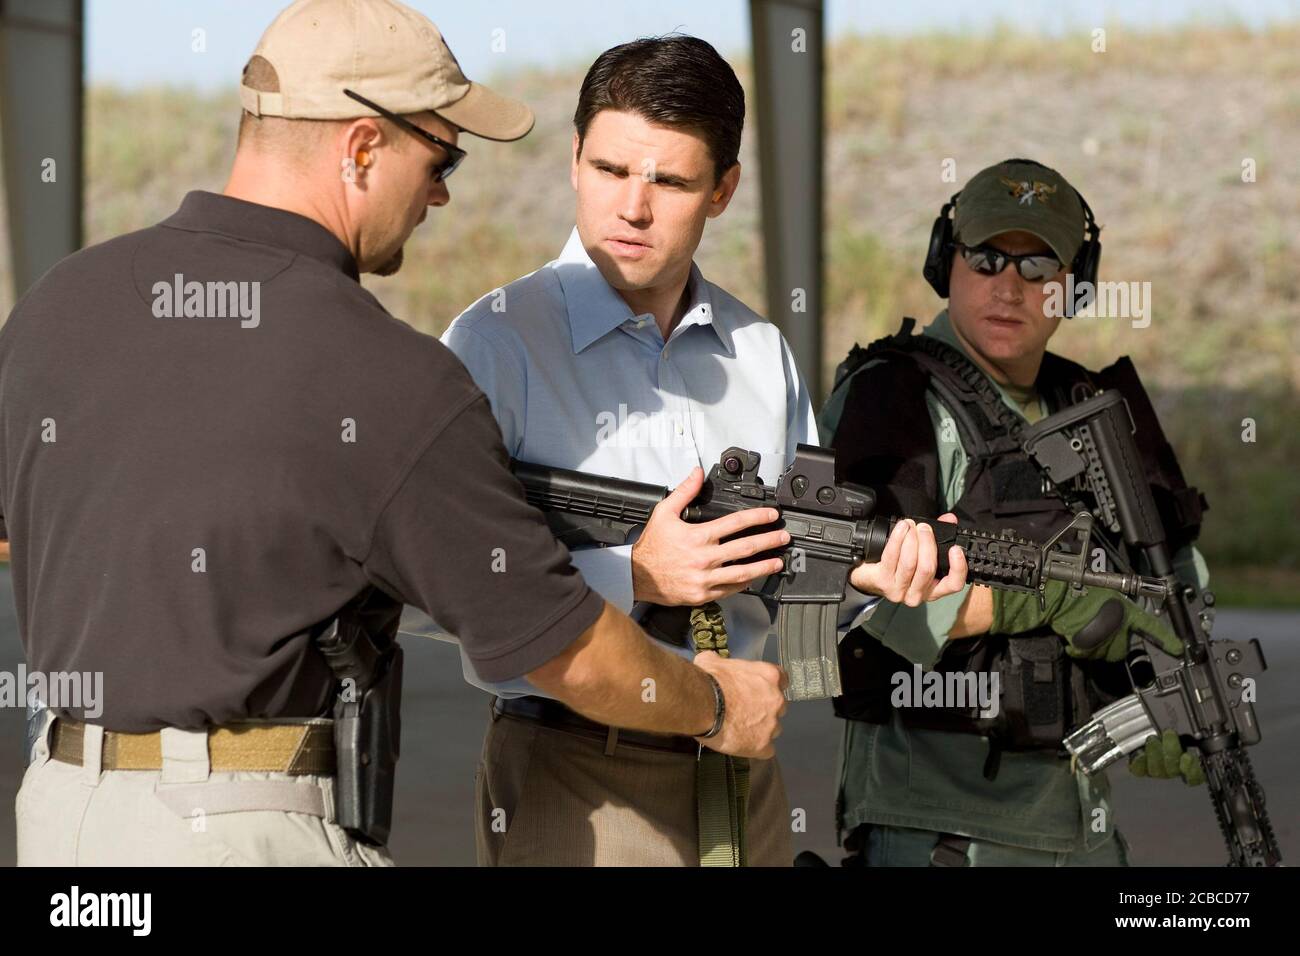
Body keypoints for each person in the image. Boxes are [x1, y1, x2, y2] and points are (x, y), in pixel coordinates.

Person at [0, 0, 787, 867]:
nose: (443, 191)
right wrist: (714, 704)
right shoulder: (383, 373)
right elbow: (558, 644)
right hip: (239, 828)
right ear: (364, 148)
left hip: (61, 813)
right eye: (440, 156)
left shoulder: (56, 306)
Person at [442, 35, 968, 867]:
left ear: (722, 190)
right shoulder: (496, 344)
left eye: (672, 182)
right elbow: (439, 589)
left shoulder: (761, 353)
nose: (633, 208)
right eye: (611, 170)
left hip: (742, 775)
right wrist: (638, 575)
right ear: (574, 158)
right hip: (579, 777)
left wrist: (874, 581)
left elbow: (794, 610)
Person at [821, 158, 1208, 867]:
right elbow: (857, 599)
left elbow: (1172, 581)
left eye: (1039, 267)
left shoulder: (1093, 408)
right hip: (939, 827)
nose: (1009, 287)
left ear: (1074, 285)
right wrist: (1041, 597)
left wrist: (1171, 686)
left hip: (1080, 827)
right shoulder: (896, 403)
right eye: (987, 257)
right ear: (947, 262)